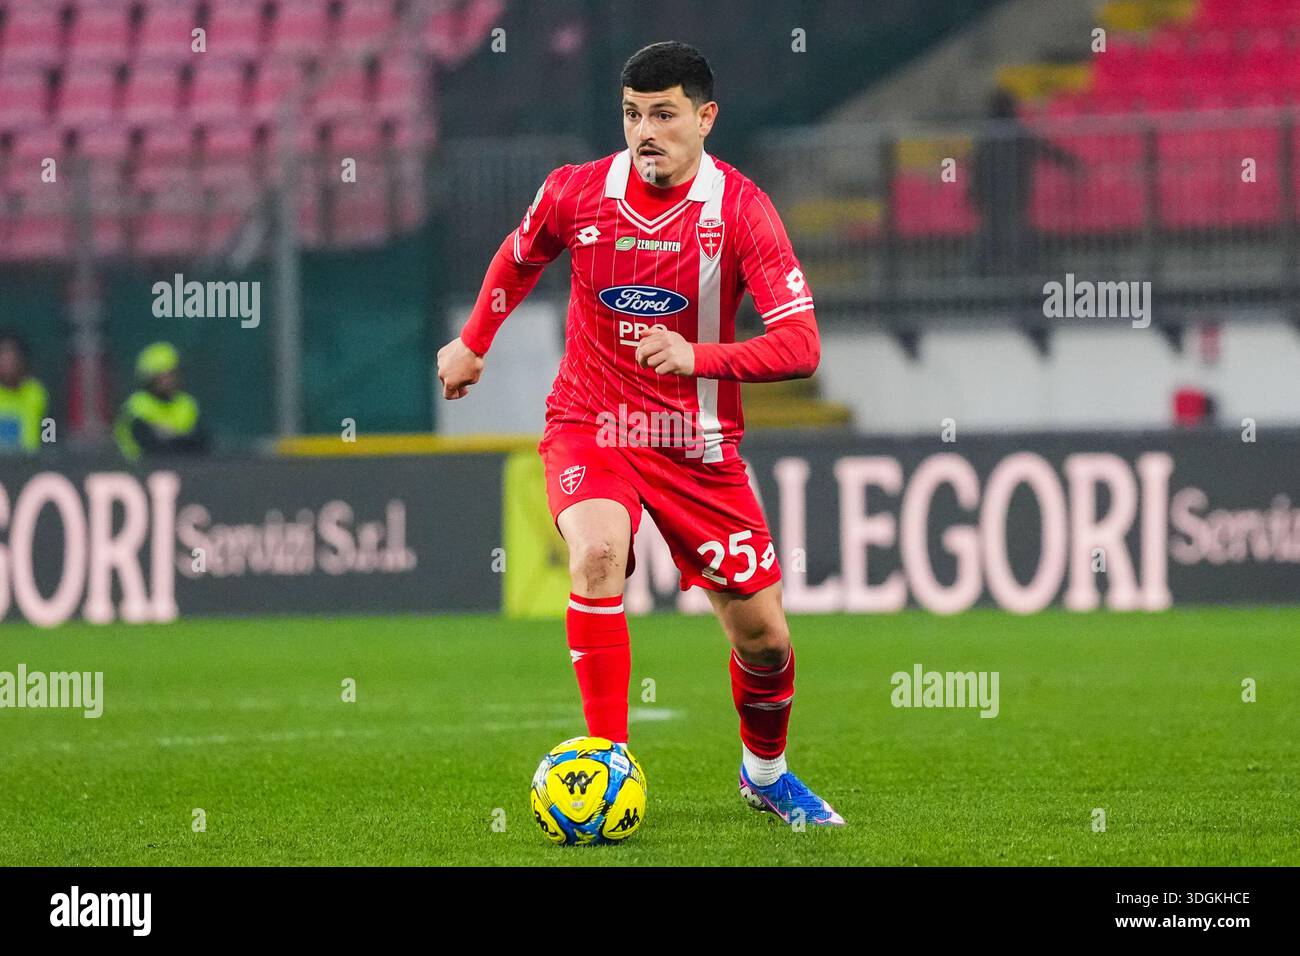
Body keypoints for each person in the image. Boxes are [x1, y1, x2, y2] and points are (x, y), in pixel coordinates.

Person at [436, 41, 841, 826]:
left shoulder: (742, 210)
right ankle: (607, 763)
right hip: (595, 422)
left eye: (663, 115)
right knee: (595, 556)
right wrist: (474, 341)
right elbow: (520, 257)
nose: (644, 132)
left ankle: (765, 774)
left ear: (705, 117)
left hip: (698, 446)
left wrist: (700, 355)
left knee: (764, 641)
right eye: (631, 115)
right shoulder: (578, 193)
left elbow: (802, 346)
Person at [114, 342, 210, 460]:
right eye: (163, 376)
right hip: (138, 469)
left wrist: (170, 436)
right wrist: (177, 437)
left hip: (184, 470)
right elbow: (147, 443)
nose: (169, 381)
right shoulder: (137, 404)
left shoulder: (186, 404)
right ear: (150, 378)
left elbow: (201, 441)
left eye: (172, 374)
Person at [0, 330, 48, 455]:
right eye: (3, 357)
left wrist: (48, 456)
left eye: (12, 357)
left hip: (32, 466)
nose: (8, 363)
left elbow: (49, 429)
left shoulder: (37, 392)